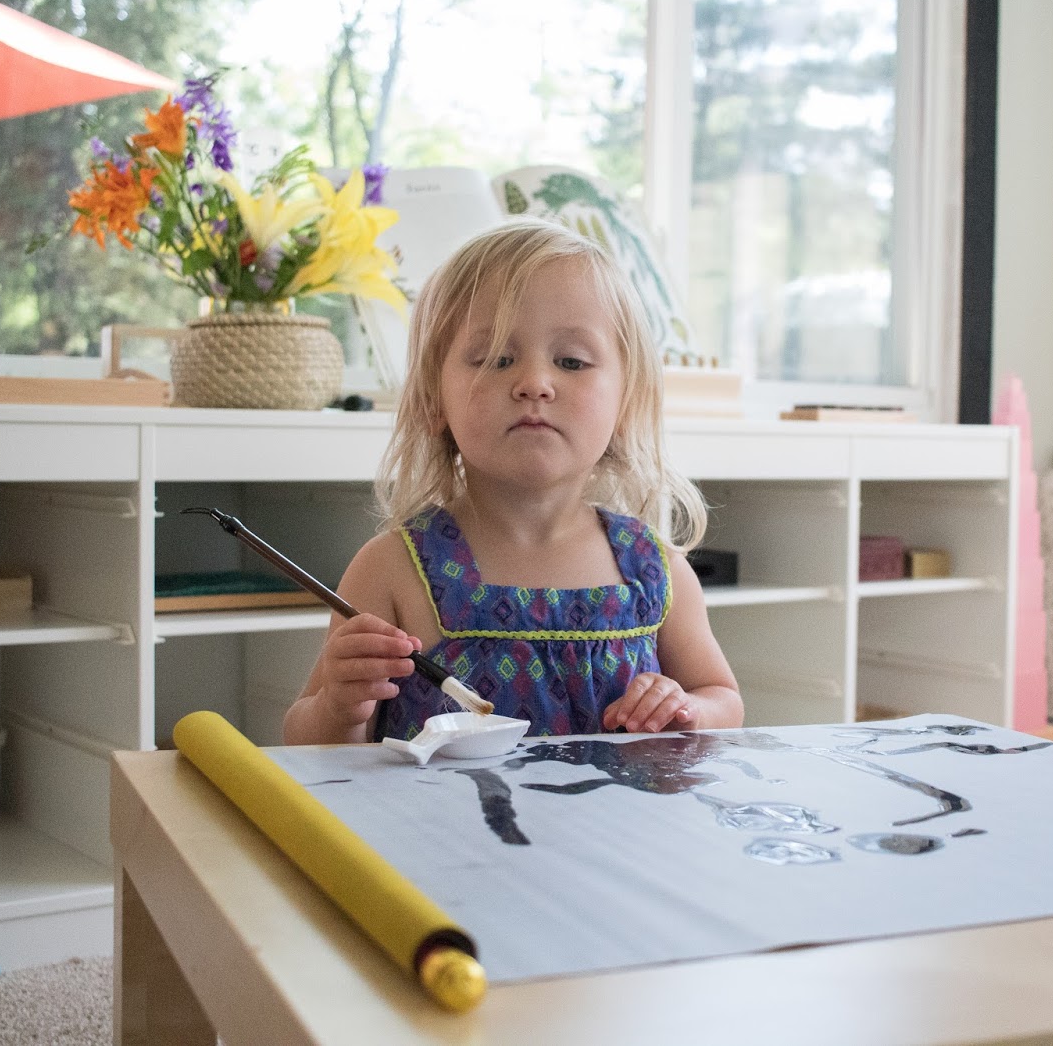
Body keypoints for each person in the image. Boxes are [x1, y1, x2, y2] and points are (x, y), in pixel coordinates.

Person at [284, 218, 742, 745]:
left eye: (571, 361)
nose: (535, 383)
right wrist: (339, 706)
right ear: (434, 399)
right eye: (496, 359)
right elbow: (305, 742)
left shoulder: (657, 572)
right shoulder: (390, 569)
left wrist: (687, 709)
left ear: (627, 402)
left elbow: (722, 697)